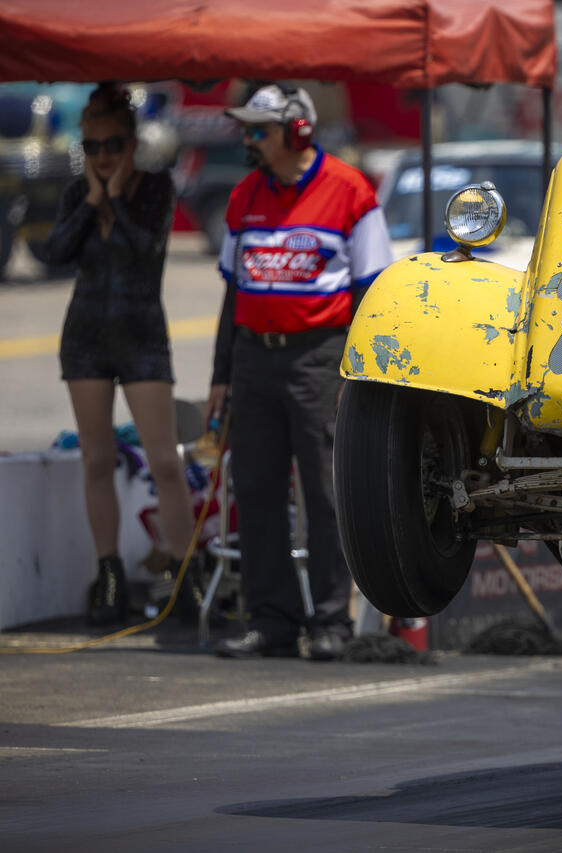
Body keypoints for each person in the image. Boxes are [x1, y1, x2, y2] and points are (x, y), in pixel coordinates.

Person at [206, 83, 392, 660]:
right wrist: (220, 376)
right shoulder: (244, 194)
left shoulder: (349, 191)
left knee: (326, 494)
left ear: (298, 132)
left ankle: (332, 620)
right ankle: (272, 621)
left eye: (258, 130)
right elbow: (233, 294)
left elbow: (371, 294)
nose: (248, 140)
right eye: (246, 129)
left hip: (320, 359)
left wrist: (356, 378)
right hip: (253, 360)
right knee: (256, 491)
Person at [42, 83, 196, 627]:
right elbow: (55, 252)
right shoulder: (78, 194)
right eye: (92, 146)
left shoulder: (156, 189)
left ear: (132, 145)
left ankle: (183, 575)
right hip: (86, 338)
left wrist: (116, 198)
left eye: (112, 145)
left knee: (165, 462)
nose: (102, 156)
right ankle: (108, 575)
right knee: (97, 460)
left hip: (141, 337)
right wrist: (92, 200)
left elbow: (145, 249)